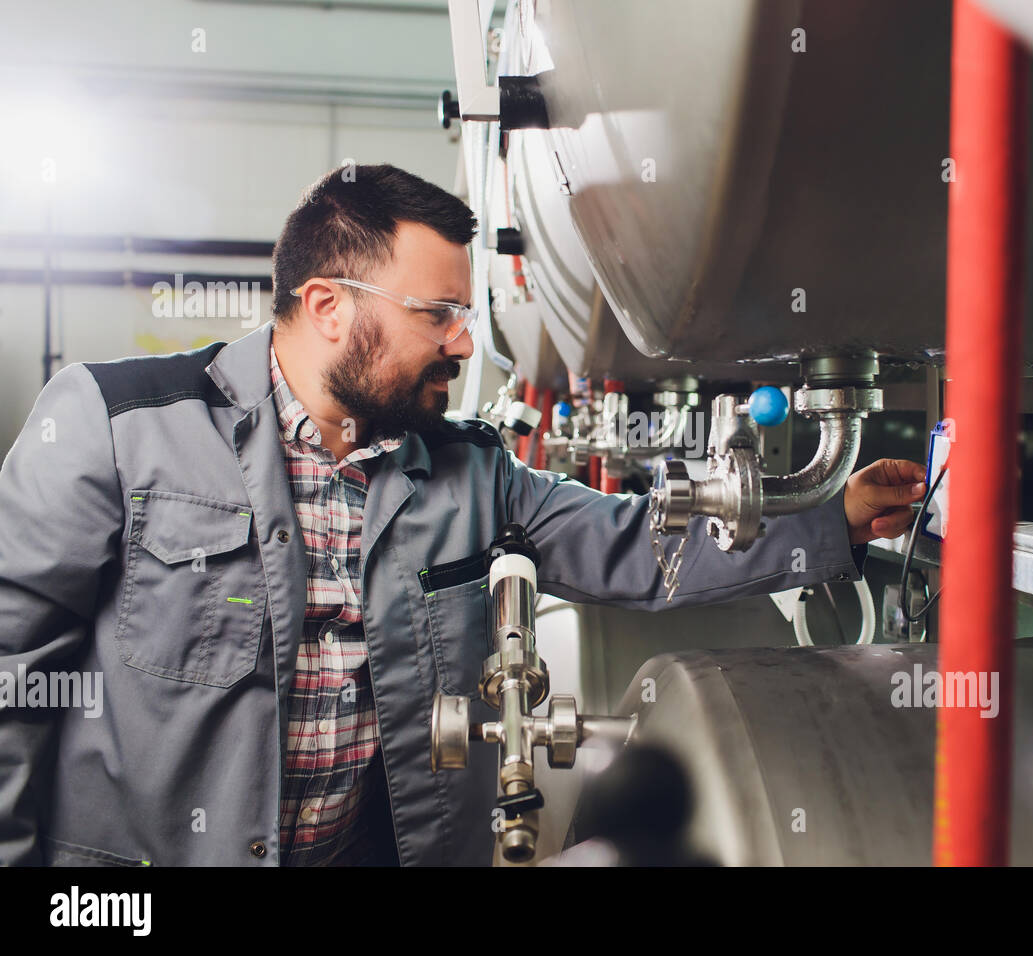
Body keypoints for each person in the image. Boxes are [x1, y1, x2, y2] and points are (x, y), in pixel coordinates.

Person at [0, 163, 927, 866]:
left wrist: (826, 520)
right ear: (327, 307)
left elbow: (636, 549)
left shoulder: (469, 471)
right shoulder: (117, 426)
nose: (464, 342)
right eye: (437, 312)